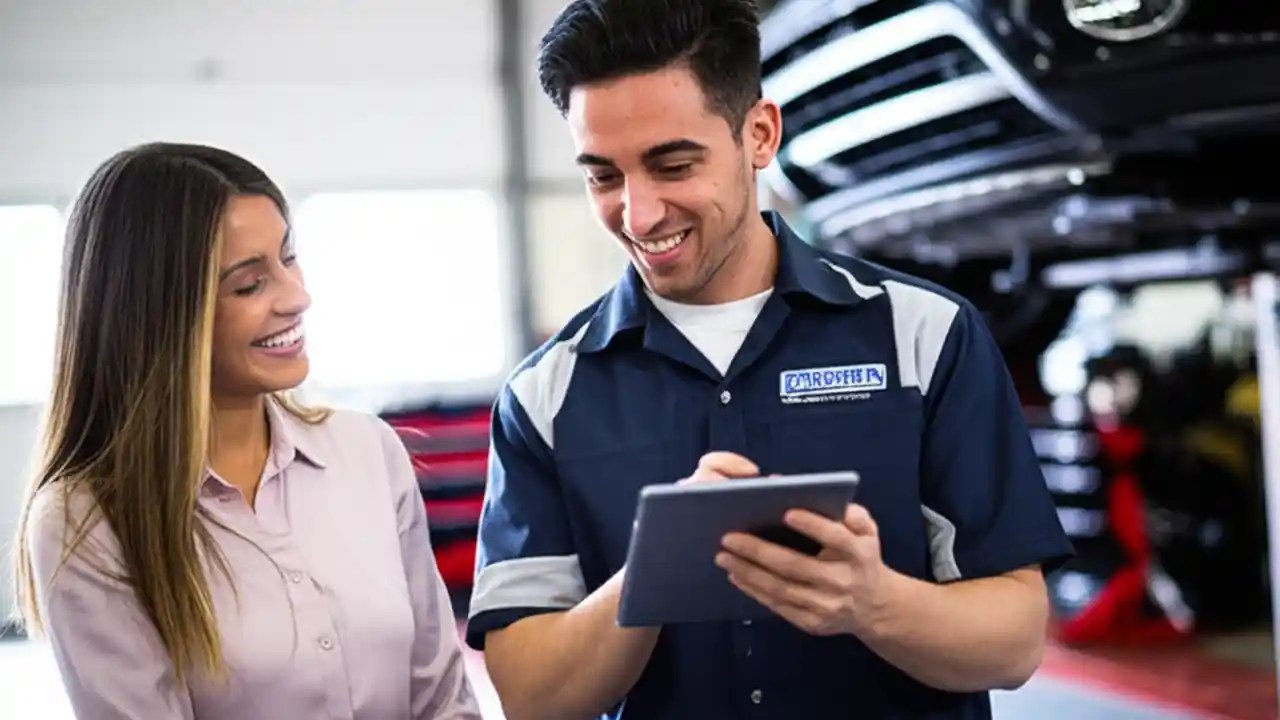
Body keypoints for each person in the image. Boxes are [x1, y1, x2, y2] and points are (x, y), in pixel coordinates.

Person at [466, 1, 1073, 718]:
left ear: (759, 134)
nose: (638, 213)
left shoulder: (926, 337)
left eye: (673, 164)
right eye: (603, 176)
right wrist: (653, 573)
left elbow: (1014, 643)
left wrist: (874, 603)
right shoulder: (545, 395)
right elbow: (531, 698)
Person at [11, 142, 481, 719]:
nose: (297, 297)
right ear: (162, 316)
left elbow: (442, 698)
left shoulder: (367, 451)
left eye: (290, 258)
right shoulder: (84, 521)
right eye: (249, 284)